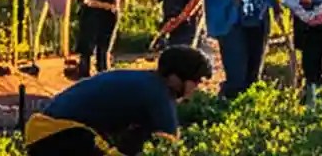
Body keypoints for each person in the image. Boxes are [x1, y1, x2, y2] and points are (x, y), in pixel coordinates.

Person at [24, 45, 213, 156]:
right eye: (196, 81)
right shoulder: (159, 93)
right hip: (64, 133)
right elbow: (171, 145)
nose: (198, 88)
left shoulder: (146, 82)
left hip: (44, 132)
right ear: (177, 76)